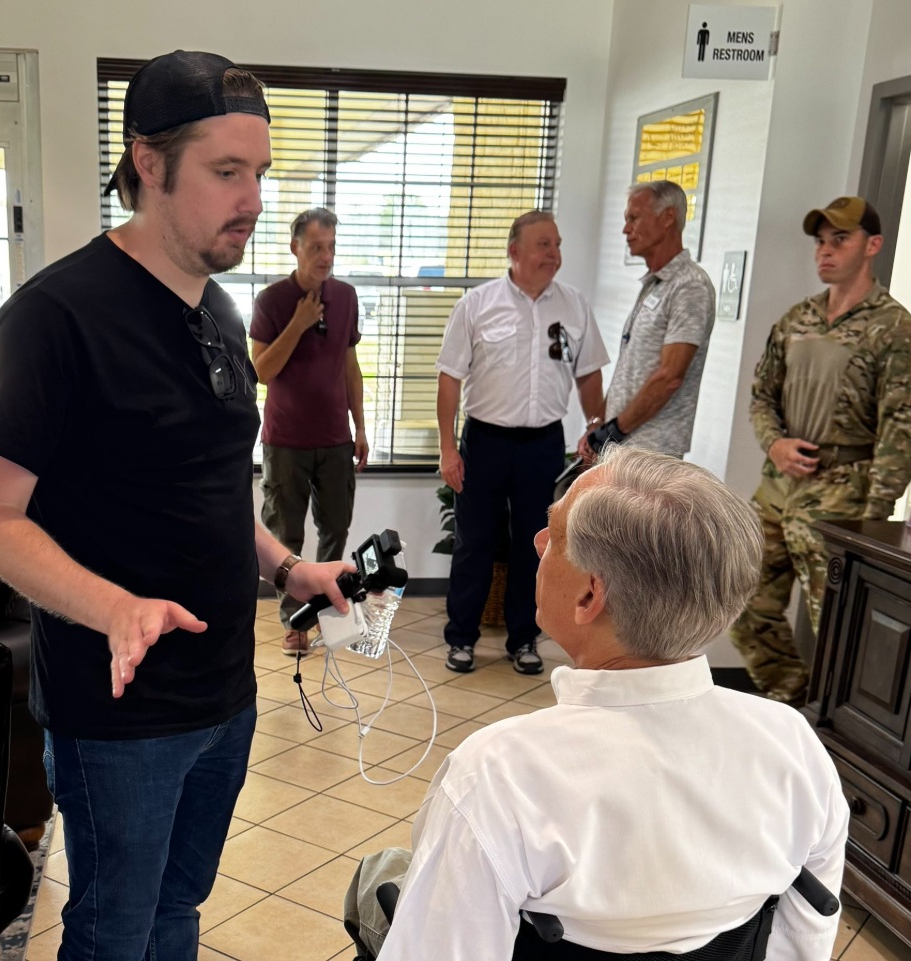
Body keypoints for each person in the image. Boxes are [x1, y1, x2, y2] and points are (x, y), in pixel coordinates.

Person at [0, 50, 351, 961]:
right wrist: (116, 608)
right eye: (225, 172)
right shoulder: (54, 318)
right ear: (147, 161)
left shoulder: (216, 308)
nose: (251, 198)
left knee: (178, 911)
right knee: (111, 929)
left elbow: (211, 488)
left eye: (259, 173)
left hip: (225, 692)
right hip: (119, 713)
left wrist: (289, 565)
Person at [346, 446, 848, 960]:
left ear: (590, 596)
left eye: (556, 535)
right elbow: (804, 941)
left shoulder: (499, 776)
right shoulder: (793, 748)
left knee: (380, 873)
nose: (538, 541)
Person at [730, 196, 911, 705]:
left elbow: (899, 433)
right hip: (777, 491)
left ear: (872, 246)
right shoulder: (797, 319)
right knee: (738, 603)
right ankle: (794, 700)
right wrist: (773, 443)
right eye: (820, 241)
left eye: (840, 239)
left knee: (839, 624)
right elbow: (761, 395)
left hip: (843, 499)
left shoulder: (895, 329)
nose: (825, 251)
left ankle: (839, 727)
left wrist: (873, 520)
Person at [436, 210, 608, 676]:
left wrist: (595, 424)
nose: (554, 254)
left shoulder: (573, 306)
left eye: (556, 245)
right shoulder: (477, 304)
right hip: (485, 440)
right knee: (474, 541)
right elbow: (450, 379)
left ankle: (524, 638)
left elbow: (589, 373)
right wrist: (448, 449)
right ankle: (462, 639)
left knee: (535, 543)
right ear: (514, 252)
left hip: (542, 445)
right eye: (543, 245)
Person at [249, 207, 368, 655]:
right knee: (286, 536)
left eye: (332, 247)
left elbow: (350, 366)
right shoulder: (272, 301)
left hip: (335, 438)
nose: (326, 256)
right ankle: (294, 623)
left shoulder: (347, 296)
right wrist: (297, 324)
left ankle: (329, 611)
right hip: (285, 442)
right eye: (317, 246)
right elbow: (261, 371)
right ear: (295, 246)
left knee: (336, 528)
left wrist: (359, 425)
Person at [584, 180, 715, 459]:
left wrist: (613, 431)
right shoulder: (655, 284)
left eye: (634, 218)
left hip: (651, 454)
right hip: (623, 447)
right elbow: (628, 371)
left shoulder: (690, 286)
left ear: (668, 217)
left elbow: (669, 377)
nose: (625, 229)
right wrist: (599, 425)